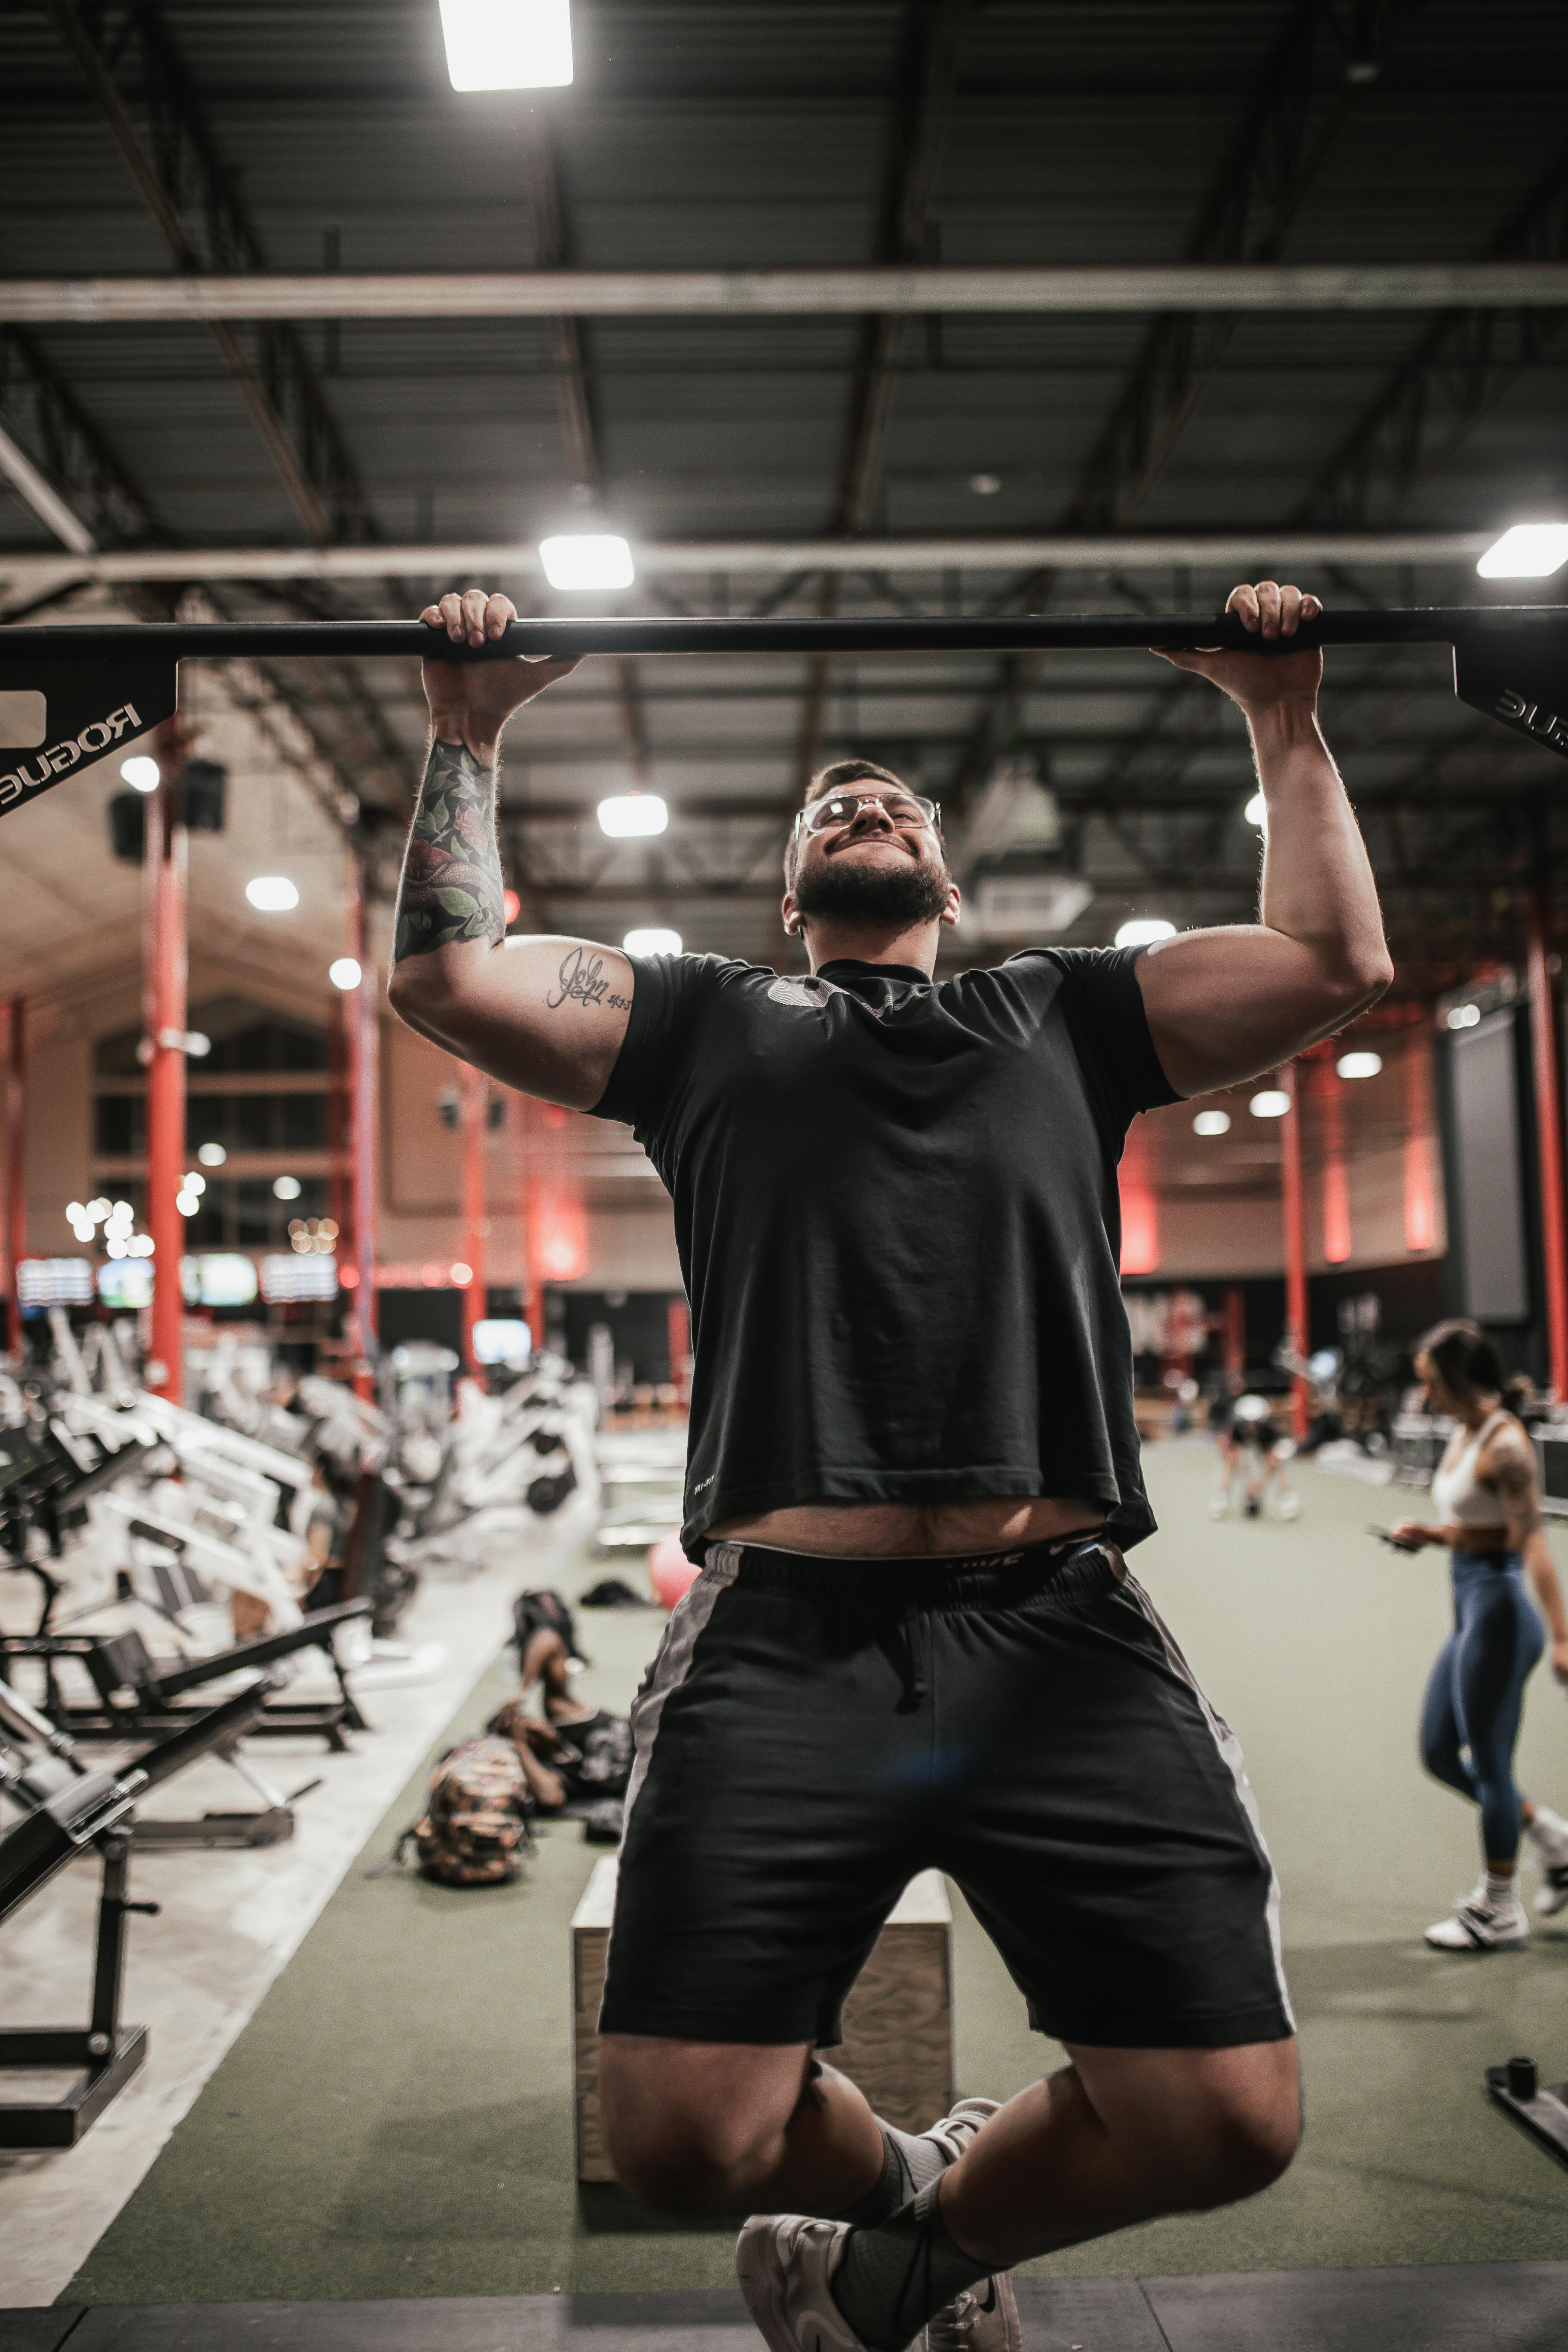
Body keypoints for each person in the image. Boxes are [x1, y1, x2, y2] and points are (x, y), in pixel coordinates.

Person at [388, 579, 1392, 2352]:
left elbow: (1334, 964)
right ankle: (918, 2200)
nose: (869, 801)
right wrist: (470, 730)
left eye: (900, 805)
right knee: (689, 2147)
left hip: (1055, 1629)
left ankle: (894, 2257)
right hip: (785, 1638)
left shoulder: (1063, 1016)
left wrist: (1282, 716)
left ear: (947, 883)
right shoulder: (702, 1025)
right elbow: (450, 977)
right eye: (832, 805)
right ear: (792, 896)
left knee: (1227, 2126)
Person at [1389, 1320, 1568, 1948]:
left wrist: (1563, 1636)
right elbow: (1478, 1526)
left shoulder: (1507, 1445)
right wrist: (1429, 1535)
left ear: (1461, 1381)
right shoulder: (1465, 1430)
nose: (1427, 1398)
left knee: (1491, 1766)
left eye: (1433, 1385)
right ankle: (1551, 1836)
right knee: (1440, 1751)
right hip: (1469, 1606)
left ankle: (1499, 1909)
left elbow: (1532, 1543)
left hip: (1499, 1611)